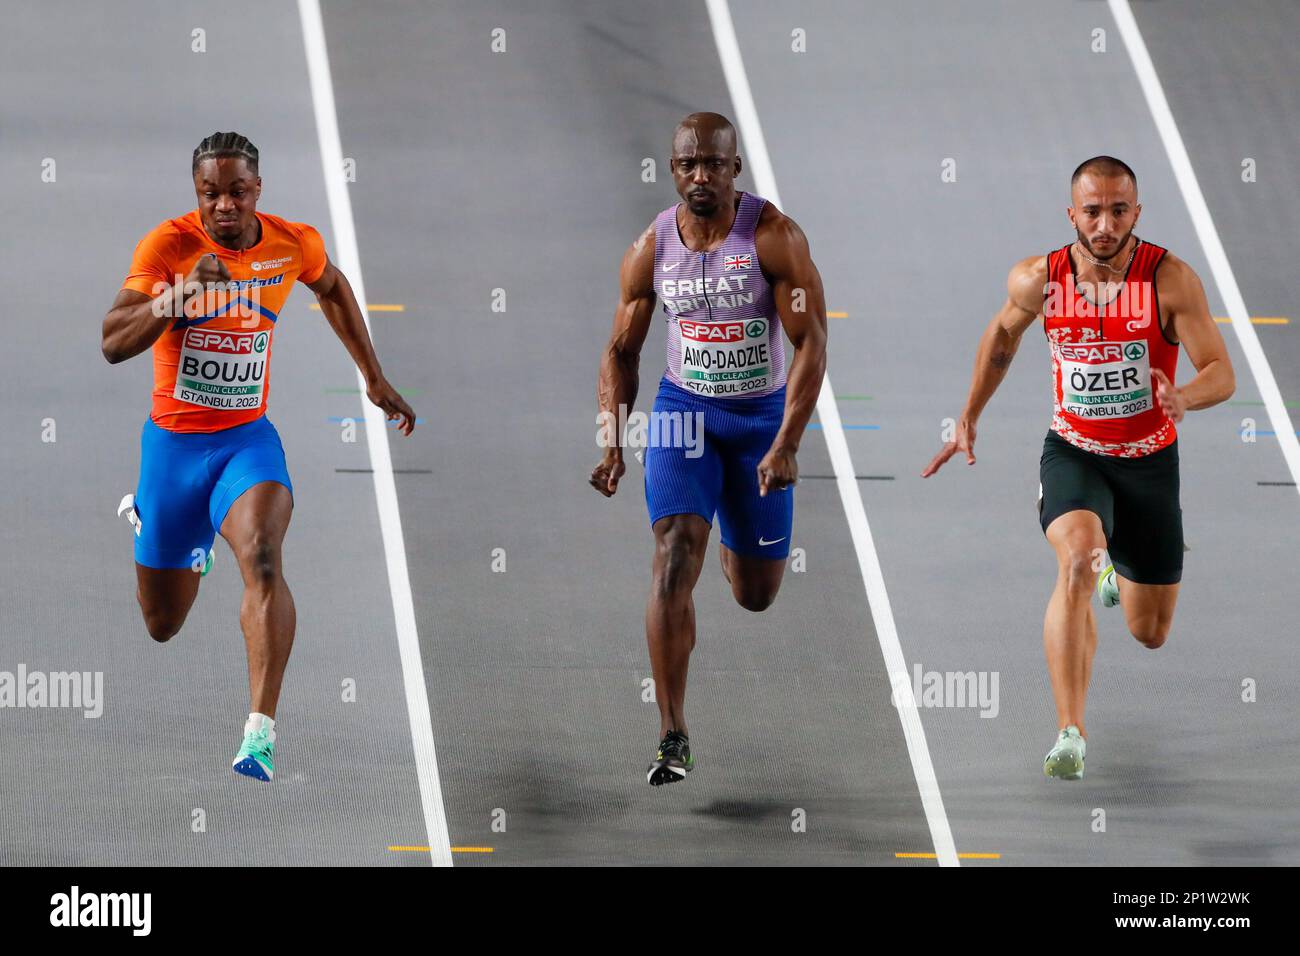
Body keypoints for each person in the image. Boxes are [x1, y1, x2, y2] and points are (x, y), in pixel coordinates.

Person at [101, 132, 416, 781]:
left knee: (265, 559)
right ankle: (165, 521)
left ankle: (260, 733)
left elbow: (331, 286)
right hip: (172, 450)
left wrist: (372, 376)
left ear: (257, 190)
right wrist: (180, 294)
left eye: (235, 192)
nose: (222, 206)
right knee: (162, 625)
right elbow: (111, 342)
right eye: (209, 194)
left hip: (246, 443)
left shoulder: (289, 243)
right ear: (198, 194)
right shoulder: (169, 246)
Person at [922, 156, 1235, 779]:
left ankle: (1118, 562)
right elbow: (1002, 339)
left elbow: (1221, 372)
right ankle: (1071, 730)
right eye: (1092, 211)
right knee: (1075, 563)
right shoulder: (1038, 278)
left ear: (1136, 213)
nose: (1105, 224)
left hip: (1149, 464)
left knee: (1149, 632)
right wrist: (968, 415)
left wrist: (1183, 397)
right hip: (1073, 452)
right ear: (1073, 215)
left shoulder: (1169, 281)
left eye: (1119, 210)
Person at [590, 113, 827, 785]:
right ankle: (672, 732)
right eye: (687, 165)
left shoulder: (775, 239)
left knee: (755, 594)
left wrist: (786, 442)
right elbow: (620, 350)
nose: (700, 176)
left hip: (758, 420)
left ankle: (736, 529)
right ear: (673, 171)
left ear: (735, 170)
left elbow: (811, 343)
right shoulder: (650, 249)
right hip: (681, 411)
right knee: (672, 557)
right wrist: (613, 442)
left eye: (713, 165)